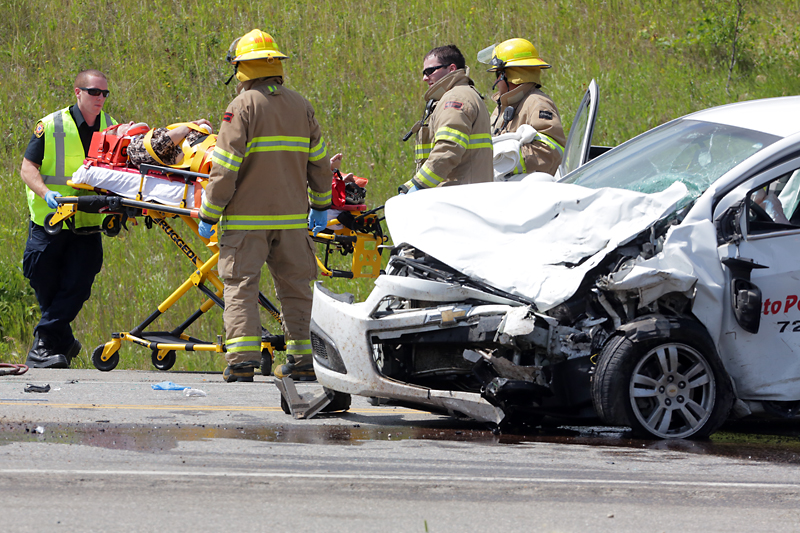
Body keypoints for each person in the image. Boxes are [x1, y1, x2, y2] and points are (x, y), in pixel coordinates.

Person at [197, 29, 331, 383]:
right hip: (292, 222)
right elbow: (319, 163)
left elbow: (224, 167)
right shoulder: (301, 105)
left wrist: (210, 213)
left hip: (246, 223)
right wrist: (320, 205)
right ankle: (304, 360)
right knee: (297, 288)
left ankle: (242, 361)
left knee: (241, 284)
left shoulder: (241, 107)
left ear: (241, 69)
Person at [20, 69, 118, 368]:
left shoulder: (112, 128)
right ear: (78, 93)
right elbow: (27, 169)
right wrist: (45, 192)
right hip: (51, 217)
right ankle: (62, 340)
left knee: (78, 282)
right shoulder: (51, 125)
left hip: (87, 221)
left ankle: (43, 344)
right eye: (93, 92)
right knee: (41, 278)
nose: (99, 98)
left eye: (104, 93)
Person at [398, 44, 492, 194]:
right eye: (424, 72)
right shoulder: (465, 94)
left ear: (451, 69)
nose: (424, 78)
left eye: (430, 71)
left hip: (458, 196)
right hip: (468, 194)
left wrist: (417, 185)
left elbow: (448, 148)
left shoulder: (455, 99)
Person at [479, 38, 566, 178]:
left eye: (497, 75)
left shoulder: (537, 103)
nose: (495, 81)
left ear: (508, 76)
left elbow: (551, 150)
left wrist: (506, 160)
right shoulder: (504, 104)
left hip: (526, 191)